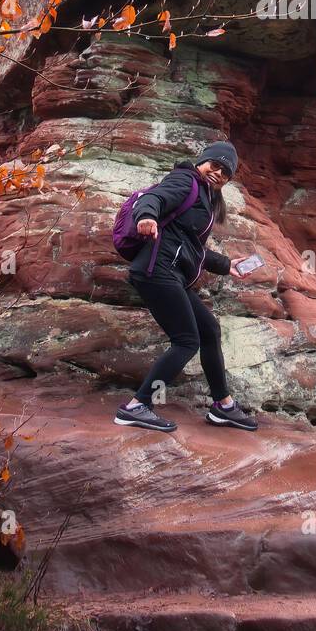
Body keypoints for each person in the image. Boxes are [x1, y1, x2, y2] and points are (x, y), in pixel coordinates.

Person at [114, 141, 258, 433]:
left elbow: (192, 248)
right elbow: (153, 198)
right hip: (157, 271)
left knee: (209, 330)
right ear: (202, 162)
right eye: (214, 165)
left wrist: (227, 264)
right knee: (186, 341)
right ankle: (137, 406)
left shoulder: (204, 197)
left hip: (171, 274)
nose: (218, 173)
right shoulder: (185, 179)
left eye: (226, 172)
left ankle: (223, 406)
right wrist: (146, 217)